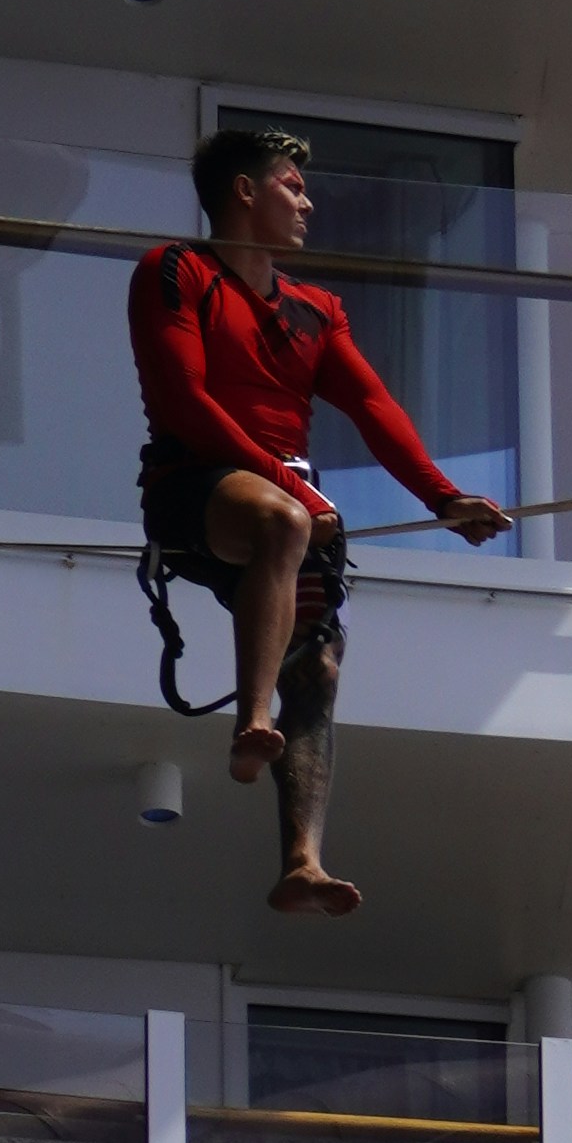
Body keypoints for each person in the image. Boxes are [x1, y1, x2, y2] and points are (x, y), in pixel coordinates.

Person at [129, 122, 507, 915]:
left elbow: (372, 405)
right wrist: (287, 487)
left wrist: (441, 497)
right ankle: (251, 716)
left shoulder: (315, 308)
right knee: (282, 525)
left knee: (323, 667)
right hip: (196, 481)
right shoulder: (176, 270)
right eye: (292, 187)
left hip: (281, 501)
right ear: (244, 191)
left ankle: (301, 861)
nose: (309, 202)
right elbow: (183, 400)